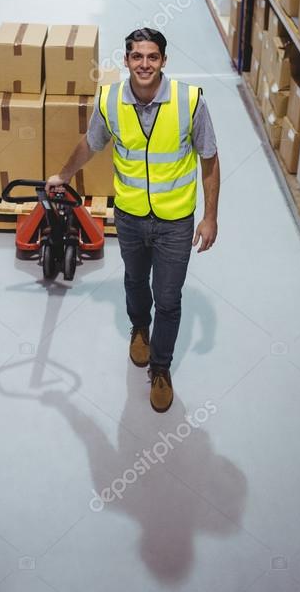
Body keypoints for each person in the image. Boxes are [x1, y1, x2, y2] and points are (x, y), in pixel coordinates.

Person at [46, 27, 220, 413]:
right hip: (129, 214)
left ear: (163, 61)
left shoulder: (190, 102)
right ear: (126, 61)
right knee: (135, 280)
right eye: (137, 57)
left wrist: (210, 217)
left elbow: (209, 158)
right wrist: (64, 174)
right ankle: (139, 327)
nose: (144, 64)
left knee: (170, 298)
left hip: (175, 220)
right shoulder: (109, 100)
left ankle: (160, 368)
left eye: (152, 57)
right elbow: (91, 143)